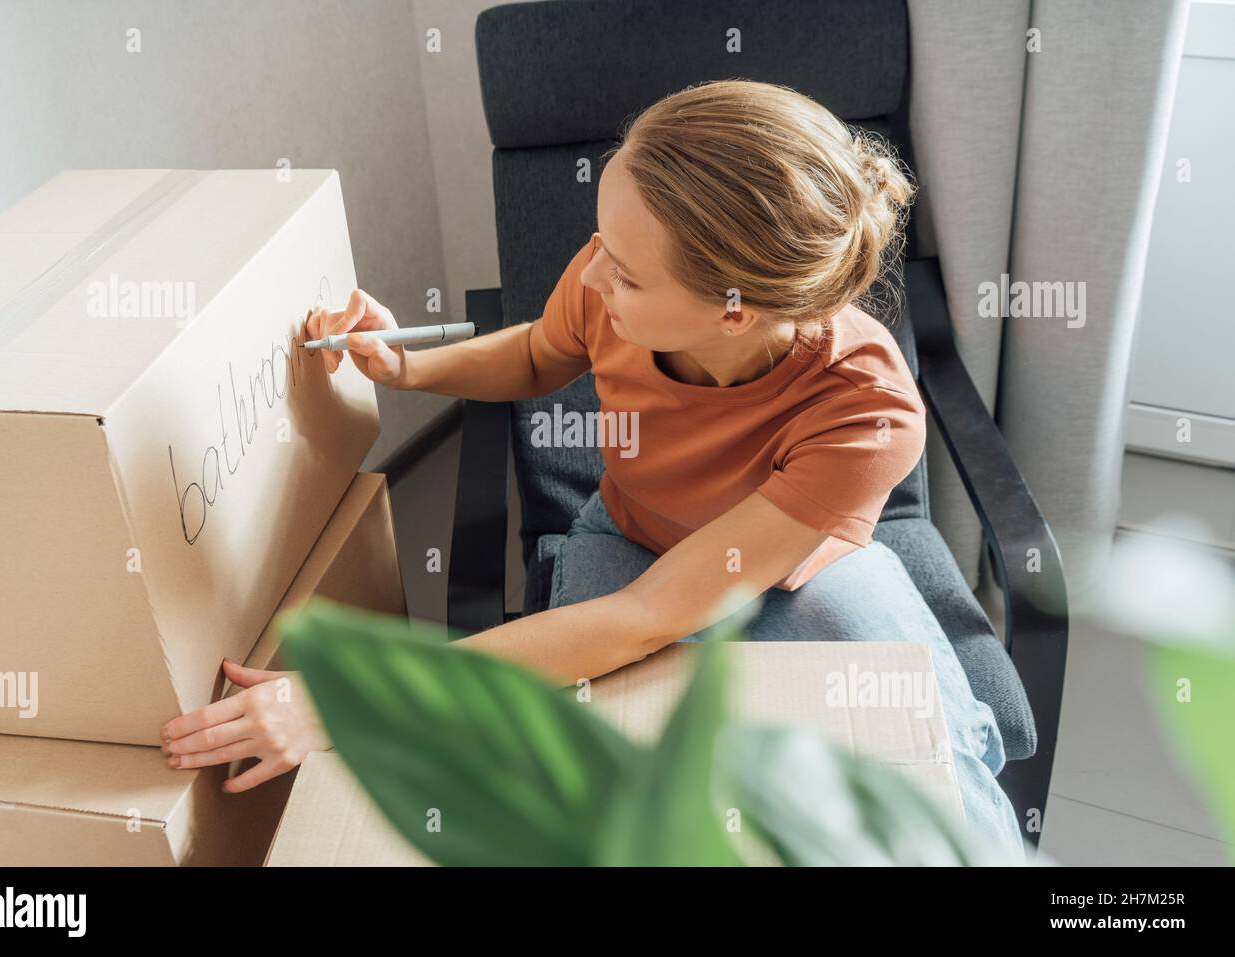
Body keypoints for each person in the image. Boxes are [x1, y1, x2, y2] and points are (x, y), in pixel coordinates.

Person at [161, 79, 1027, 862]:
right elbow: (538, 354)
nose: (595, 270)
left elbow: (645, 619)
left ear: (737, 312)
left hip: (798, 573)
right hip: (638, 542)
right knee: (585, 775)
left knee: (938, 766)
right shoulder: (611, 277)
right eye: (603, 243)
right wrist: (408, 368)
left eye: (628, 271)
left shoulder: (866, 412)